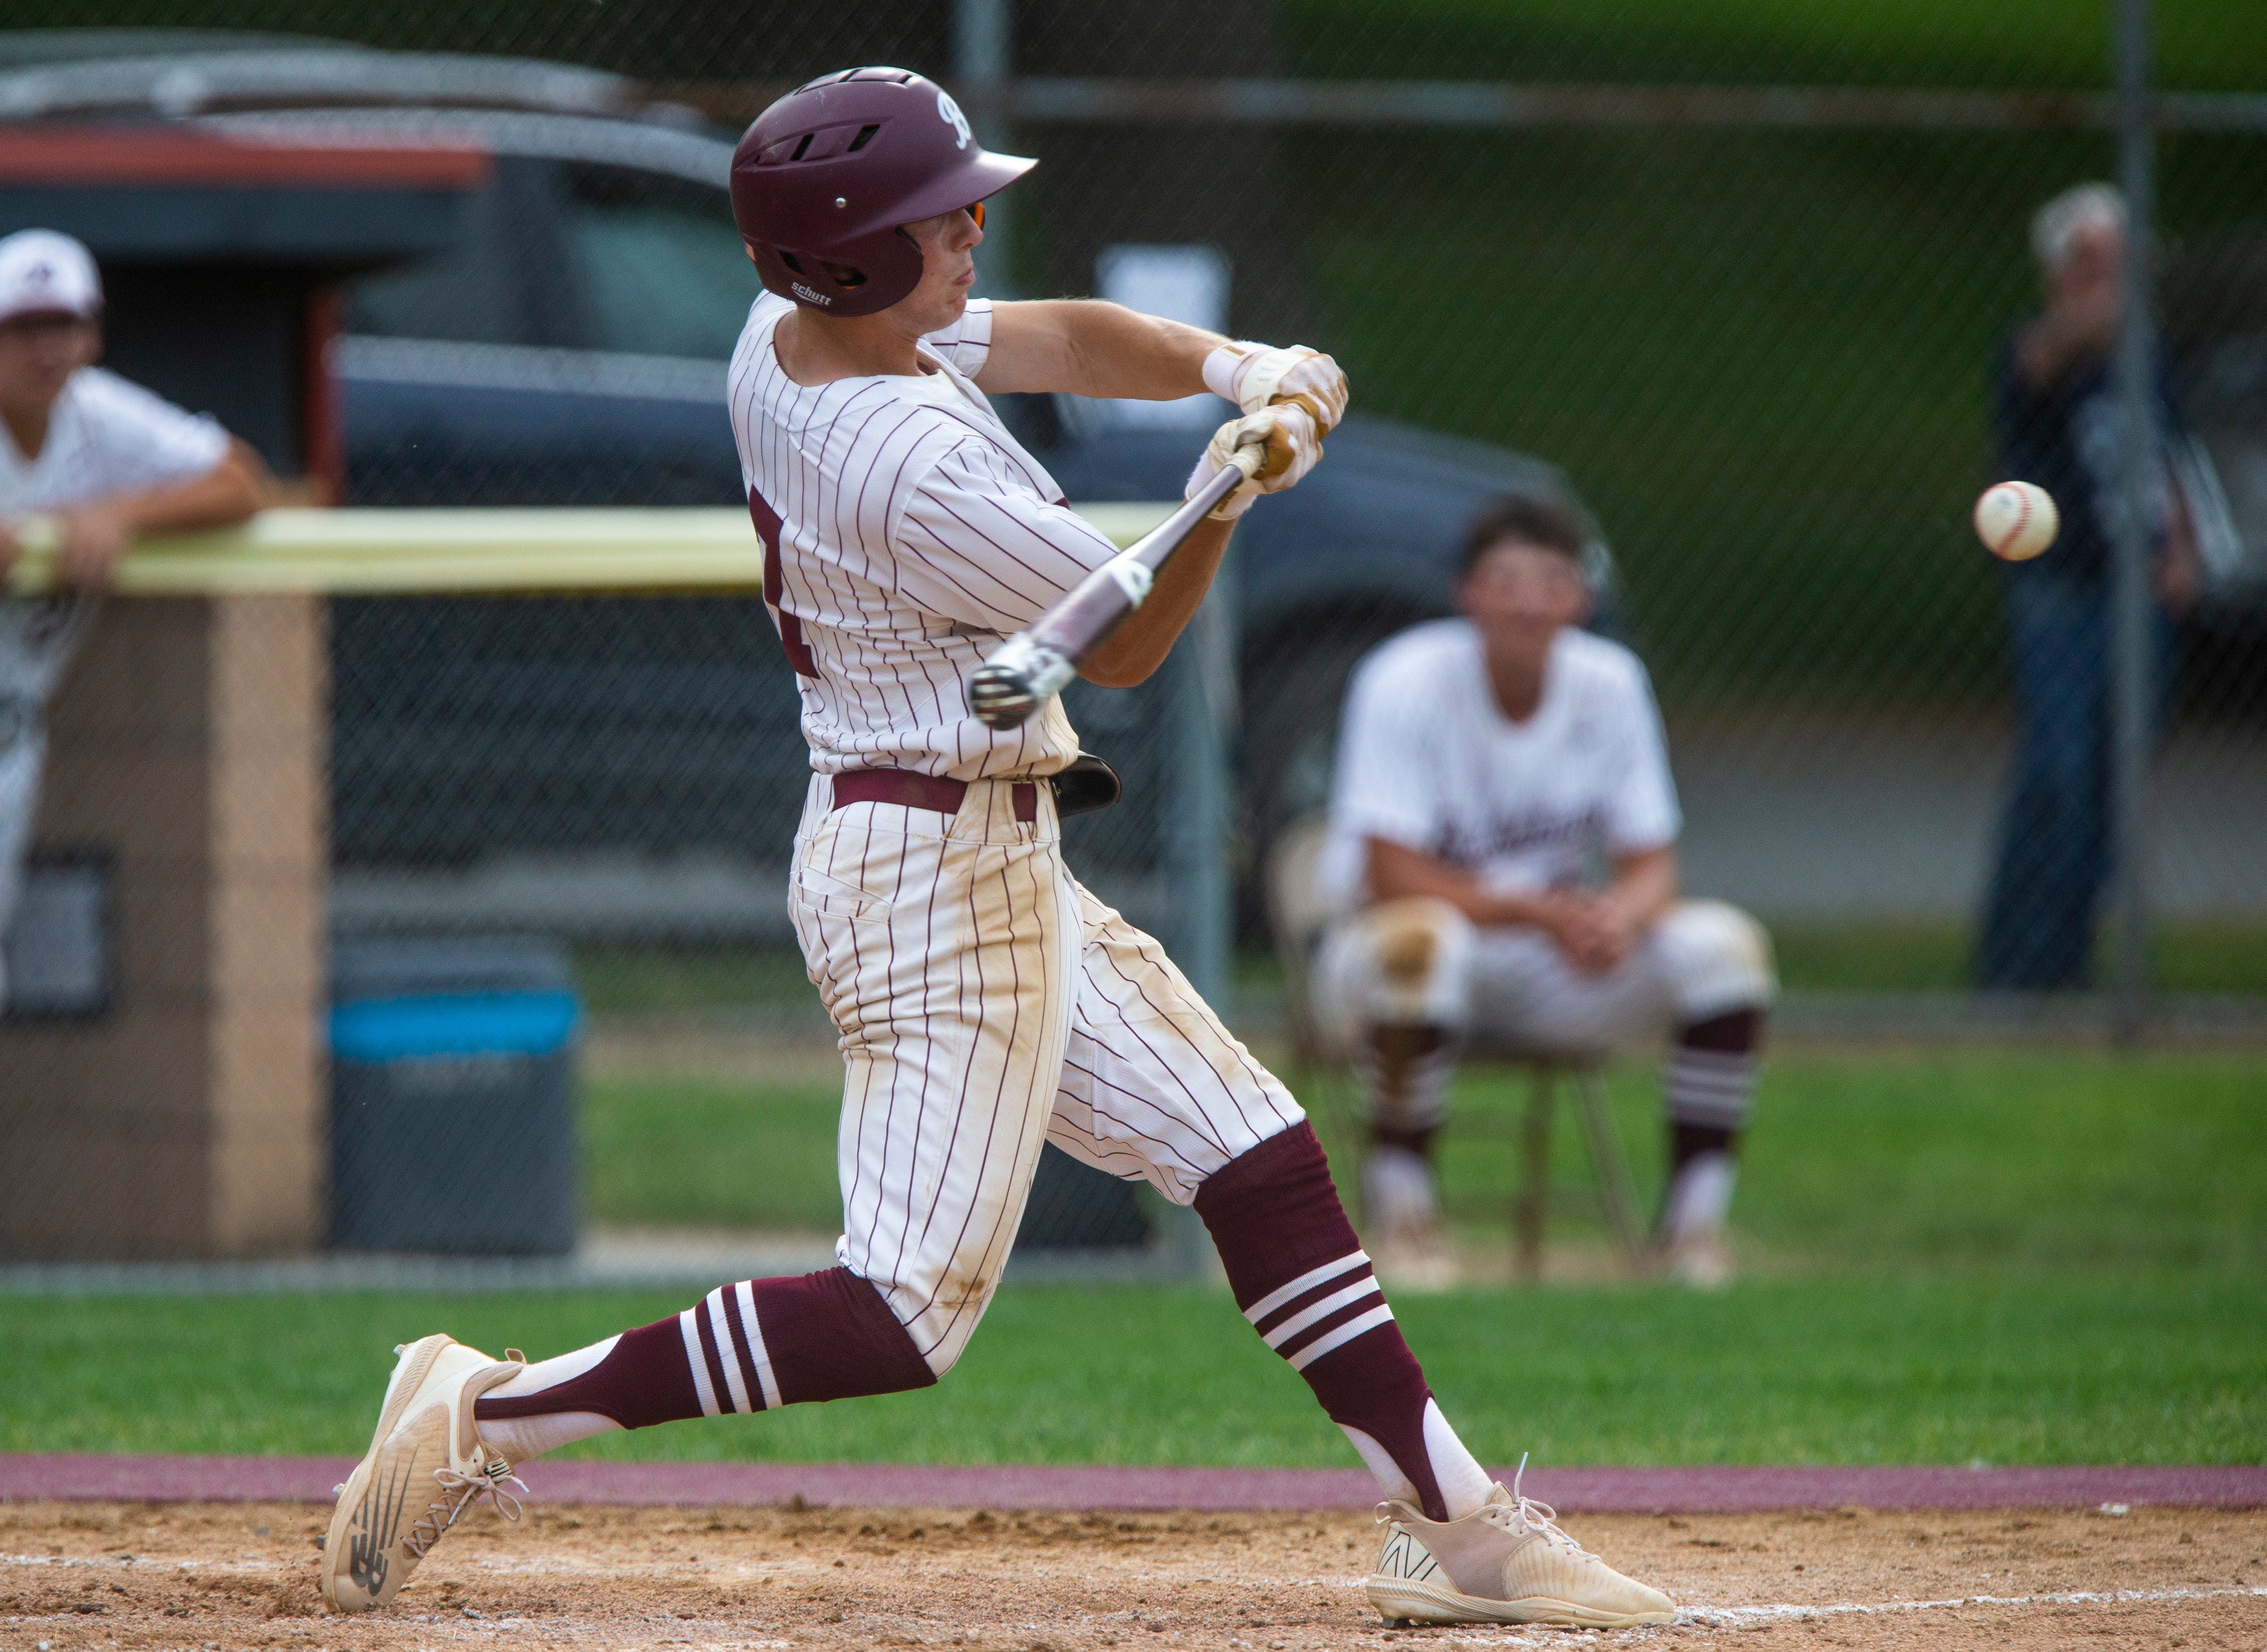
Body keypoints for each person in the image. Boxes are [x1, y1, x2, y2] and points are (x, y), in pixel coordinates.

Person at [317, 69, 1675, 1633]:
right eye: (932, 217)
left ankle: (1461, 1529)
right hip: (928, 886)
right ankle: (484, 1412)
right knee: (897, 1317)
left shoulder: (797, 328)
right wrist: (1225, 501)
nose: (968, 230)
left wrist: (1240, 372)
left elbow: (1066, 336)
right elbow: (1127, 643)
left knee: (1252, 1154)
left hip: (983, 848)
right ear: (845, 255)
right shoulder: (904, 461)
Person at [0, 229, 271, 1264]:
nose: (45, 348)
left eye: (64, 323)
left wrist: (121, 512)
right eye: (23, 327)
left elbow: (240, 481)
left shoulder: (100, 422)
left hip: (3, 745)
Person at [1310, 496, 1775, 1291]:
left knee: (1724, 950)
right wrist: (1542, 910)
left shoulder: (1610, 682)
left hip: (1546, 960)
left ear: (1580, 599)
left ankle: (1692, 1234)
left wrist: (1611, 919)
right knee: (1425, 944)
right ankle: (1405, 1222)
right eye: (1504, 580)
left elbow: (1653, 864)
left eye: (1551, 580)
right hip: (1381, 963)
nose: (1528, 601)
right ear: (1467, 594)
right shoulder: (1404, 678)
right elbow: (1389, 878)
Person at [1976, 182, 2197, 990]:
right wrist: (2091, 294)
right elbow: (2048, 358)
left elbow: (2168, 459)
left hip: (2138, 594)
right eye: (2092, 257)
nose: (2113, 274)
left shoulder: (2150, 354)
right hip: (2058, 588)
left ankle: (2066, 965)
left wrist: (2181, 550)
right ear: (2061, 266)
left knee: (2113, 783)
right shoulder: (2036, 345)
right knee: (2055, 773)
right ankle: (2013, 969)